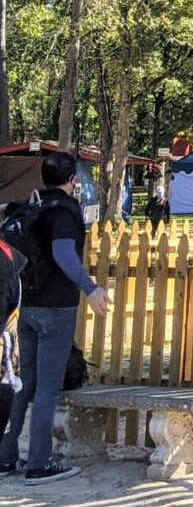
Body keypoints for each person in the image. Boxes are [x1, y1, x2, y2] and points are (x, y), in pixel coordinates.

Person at [0, 151, 110, 482]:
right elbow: (63, 253)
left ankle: (6, 456)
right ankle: (38, 463)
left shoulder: (31, 206)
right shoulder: (65, 211)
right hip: (56, 308)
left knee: (23, 383)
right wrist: (89, 288)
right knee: (47, 387)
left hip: (27, 306)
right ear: (72, 180)